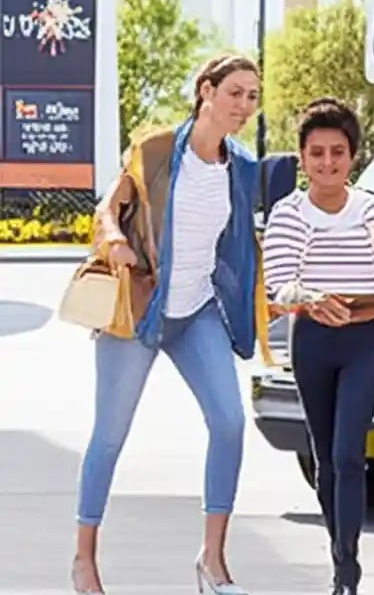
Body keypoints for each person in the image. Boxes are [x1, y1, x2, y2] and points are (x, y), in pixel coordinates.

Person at [73, 54, 270, 595]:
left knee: (229, 423)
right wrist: (114, 240)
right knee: (110, 437)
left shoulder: (242, 166)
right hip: (140, 311)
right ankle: (84, 560)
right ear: (205, 91)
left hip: (196, 310)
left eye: (252, 96)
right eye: (235, 92)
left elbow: (239, 246)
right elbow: (107, 210)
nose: (244, 105)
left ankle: (212, 561)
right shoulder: (157, 150)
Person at [260, 98, 374, 595]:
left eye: (337, 152)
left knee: (347, 455)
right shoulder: (289, 213)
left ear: (353, 156)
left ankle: (349, 568)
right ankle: (338, 555)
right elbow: (279, 286)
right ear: (302, 157)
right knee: (322, 455)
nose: (327, 162)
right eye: (316, 153)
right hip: (313, 339)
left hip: (363, 338)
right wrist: (311, 300)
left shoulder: (372, 209)